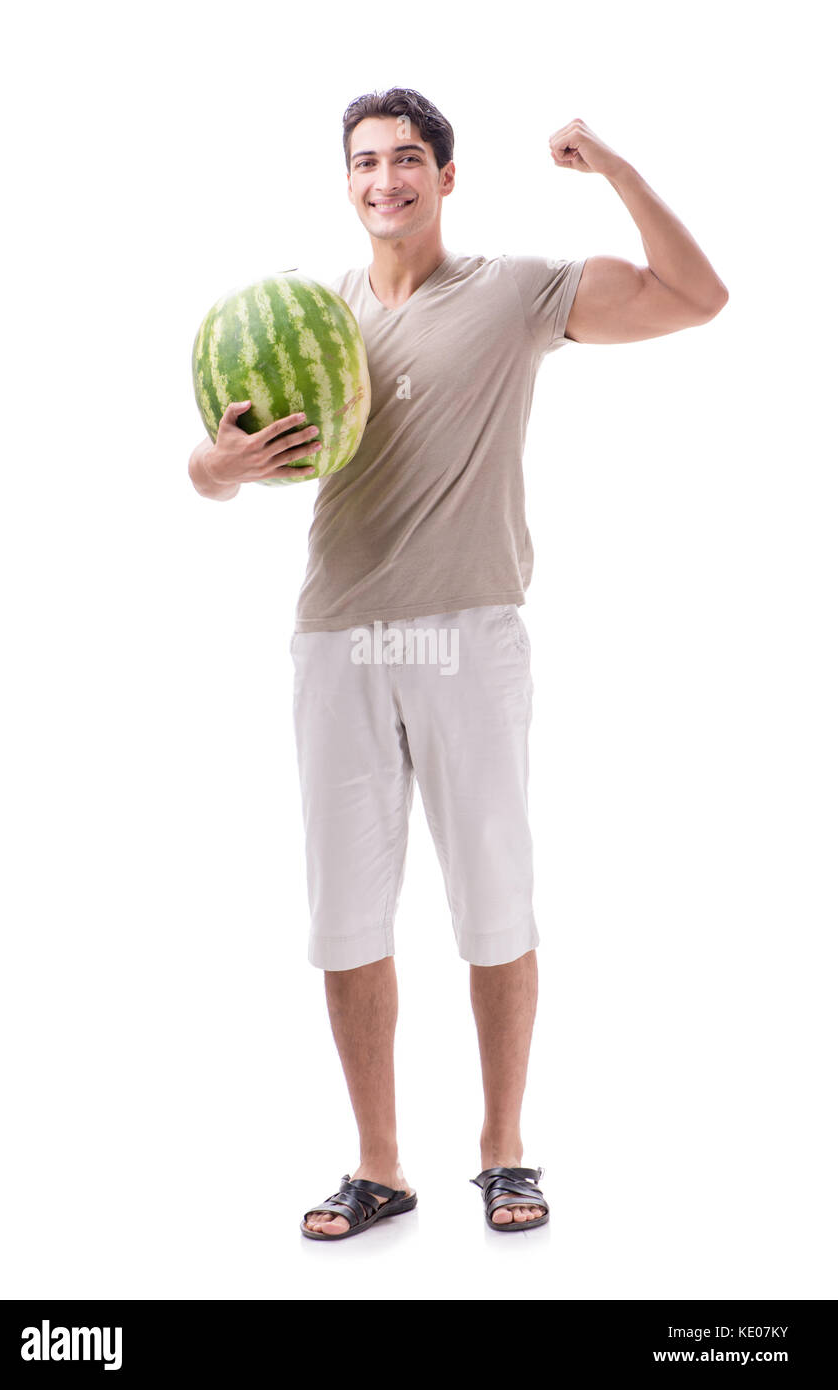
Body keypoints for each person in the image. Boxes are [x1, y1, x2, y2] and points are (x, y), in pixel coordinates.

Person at [188, 89, 728, 1240]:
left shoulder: (513, 291)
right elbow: (206, 465)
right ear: (347, 182)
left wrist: (616, 168)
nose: (385, 179)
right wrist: (218, 467)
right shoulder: (309, 314)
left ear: (445, 174)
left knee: (494, 899)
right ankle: (379, 1168)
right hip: (335, 640)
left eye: (408, 159)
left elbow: (698, 297)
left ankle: (505, 1153)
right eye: (365, 162)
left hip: (470, 637)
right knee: (345, 915)